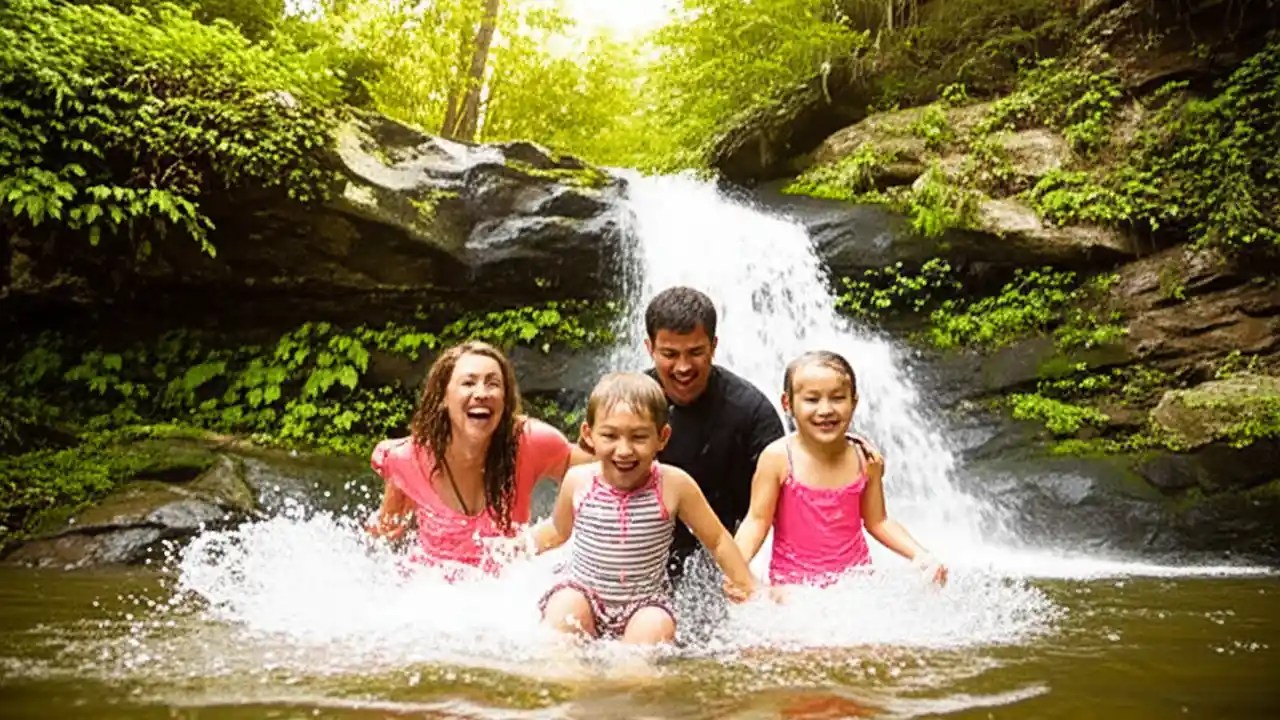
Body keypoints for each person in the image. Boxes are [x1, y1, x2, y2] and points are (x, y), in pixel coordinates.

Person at [530, 372, 759, 644]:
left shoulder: (673, 484)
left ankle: (633, 679)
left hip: (643, 603)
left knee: (654, 626)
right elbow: (558, 530)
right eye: (610, 436)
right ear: (588, 435)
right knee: (564, 609)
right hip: (584, 592)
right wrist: (515, 550)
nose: (624, 450)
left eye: (639, 437)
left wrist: (747, 585)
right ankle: (573, 677)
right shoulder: (578, 480)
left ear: (662, 437)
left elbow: (718, 539)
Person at [367, 340, 589, 573]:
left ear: (505, 399)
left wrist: (552, 532)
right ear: (444, 397)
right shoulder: (406, 458)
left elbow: (604, 473)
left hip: (504, 590)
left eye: (492, 384)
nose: (481, 393)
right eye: (468, 383)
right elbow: (384, 535)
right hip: (428, 592)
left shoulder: (530, 442)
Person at [733, 350, 948, 588]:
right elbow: (756, 520)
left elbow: (878, 521)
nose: (825, 410)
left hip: (855, 586)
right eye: (812, 399)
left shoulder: (865, 459)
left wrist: (921, 555)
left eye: (837, 398)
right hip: (793, 589)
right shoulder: (778, 458)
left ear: (854, 402)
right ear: (788, 404)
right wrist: (736, 569)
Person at [637, 286, 785, 578]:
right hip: (645, 556)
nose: (682, 367)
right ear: (649, 348)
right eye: (669, 354)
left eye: (695, 352)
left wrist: (842, 444)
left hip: (725, 557)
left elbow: (793, 481)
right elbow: (587, 474)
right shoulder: (627, 405)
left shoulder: (751, 411)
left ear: (714, 346)